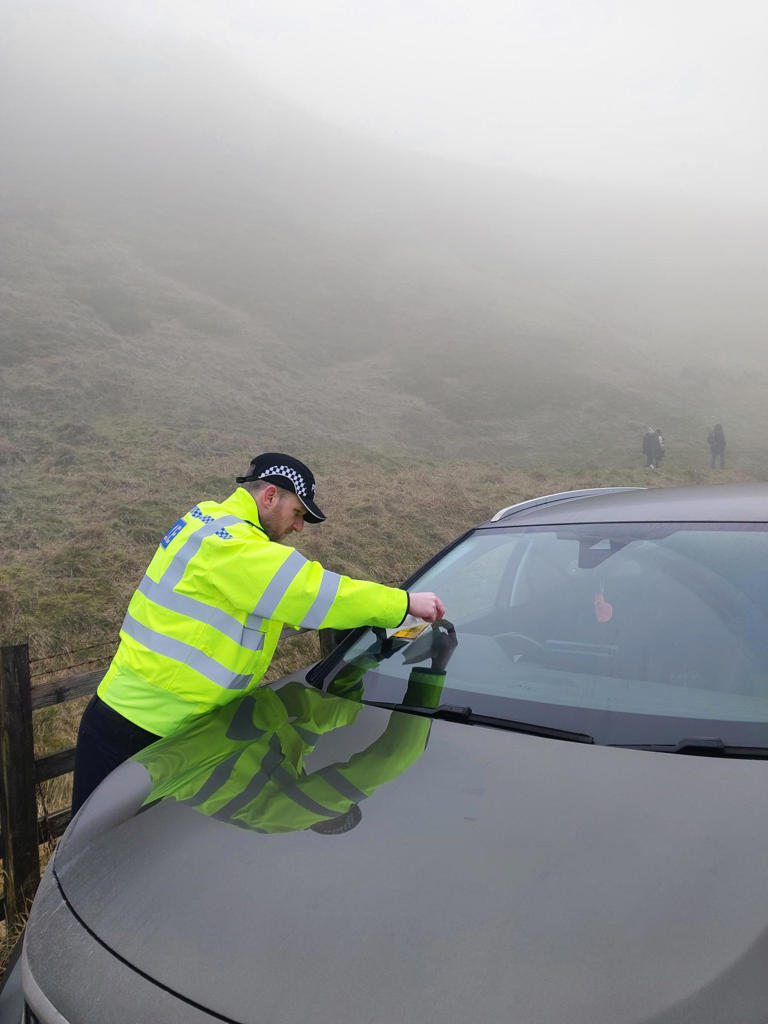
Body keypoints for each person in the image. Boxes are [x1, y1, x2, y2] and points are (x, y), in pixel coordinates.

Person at [71, 452, 446, 813]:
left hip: (148, 723)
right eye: (297, 513)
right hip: (139, 730)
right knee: (97, 848)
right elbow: (309, 592)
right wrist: (402, 604)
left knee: (123, 846)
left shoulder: (207, 520)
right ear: (270, 496)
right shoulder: (233, 546)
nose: (298, 527)